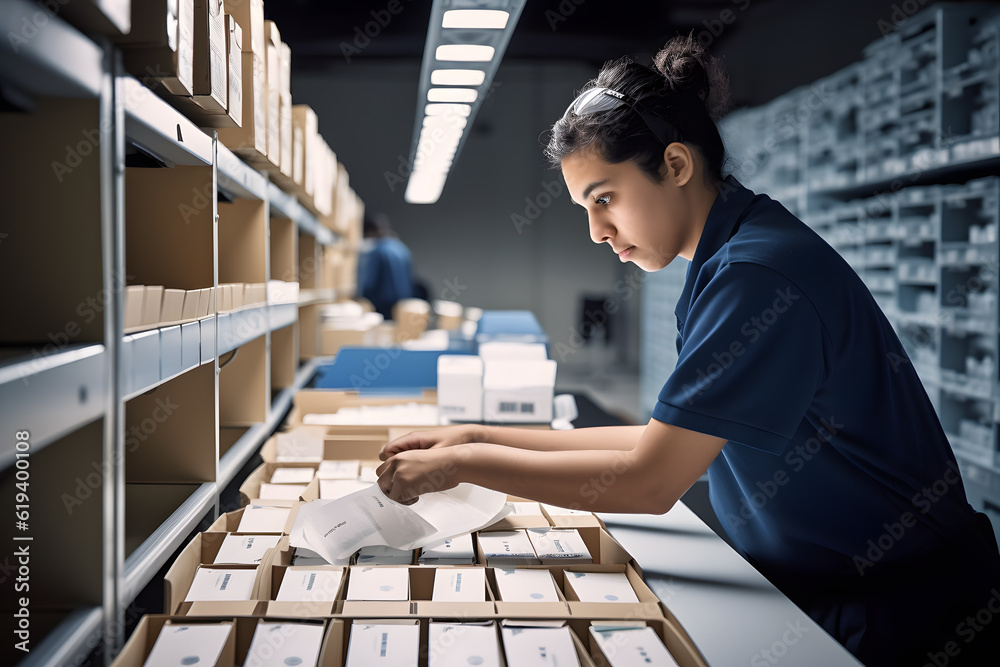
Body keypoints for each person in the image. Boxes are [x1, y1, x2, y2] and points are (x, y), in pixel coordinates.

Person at [375, 33, 1000, 666]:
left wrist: (466, 467)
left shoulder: (757, 275)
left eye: (605, 198)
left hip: (910, 614)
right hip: (848, 593)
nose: (597, 232)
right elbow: (665, 441)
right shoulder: (730, 255)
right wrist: (474, 438)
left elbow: (652, 480)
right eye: (584, 210)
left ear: (676, 166)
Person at [357, 212, 415, 318]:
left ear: (370, 232)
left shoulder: (378, 251)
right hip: (402, 304)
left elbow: (369, 283)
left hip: (382, 306)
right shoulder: (402, 249)